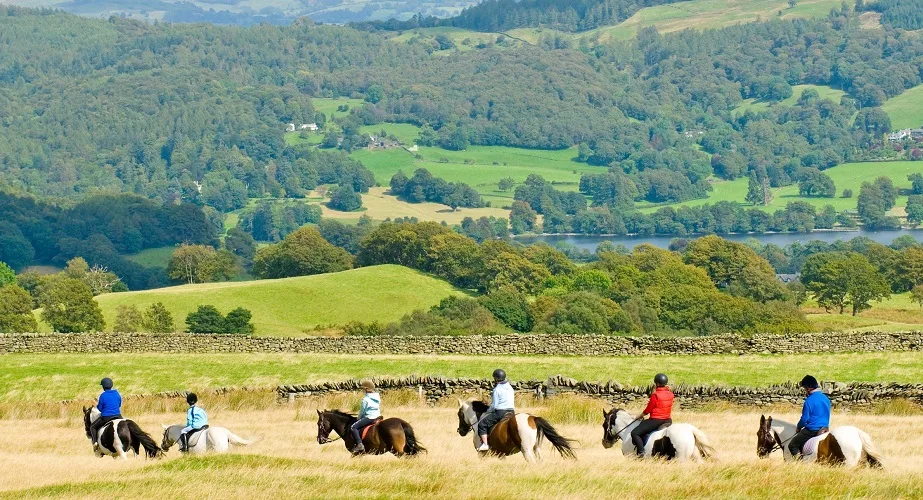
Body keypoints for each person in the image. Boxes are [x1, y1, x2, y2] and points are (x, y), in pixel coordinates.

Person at [631, 373, 674, 457]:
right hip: (668, 420)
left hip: (656, 420)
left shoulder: (655, 395)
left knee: (635, 433)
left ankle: (641, 452)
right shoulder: (671, 394)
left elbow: (648, 410)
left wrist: (640, 416)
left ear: (657, 384)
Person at [789, 375, 831, 459]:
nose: (804, 390)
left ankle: (800, 463)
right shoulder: (825, 398)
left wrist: (798, 426)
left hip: (812, 430)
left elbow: (804, 419)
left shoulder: (809, 401)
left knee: (792, 445)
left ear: (808, 388)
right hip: (825, 428)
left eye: (804, 388)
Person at [477, 369, 515, 452]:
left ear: (496, 379)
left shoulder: (497, 390)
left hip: (500, 412)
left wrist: (487, 411)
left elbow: (494, 406)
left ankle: (485, 444)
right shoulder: (510, 388)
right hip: (511, 412)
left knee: (482, 424)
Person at [350, 380, 381, 454]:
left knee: (353, 427)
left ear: (366, 389)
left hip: (369, 417)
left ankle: (360, 444)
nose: (362, 390)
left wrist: (358, 418)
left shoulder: (365, 400)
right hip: (378, 416)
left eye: (363, 389)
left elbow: (362, 411)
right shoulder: (377, 397)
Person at [90, 377, 122, 448]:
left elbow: (100, 408)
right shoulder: (117, 394)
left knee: (92, 427)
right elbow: (119, 404)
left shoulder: (103, 395)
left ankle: (95, 442)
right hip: (118, 415)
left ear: (103, 387)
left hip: (106, 417)